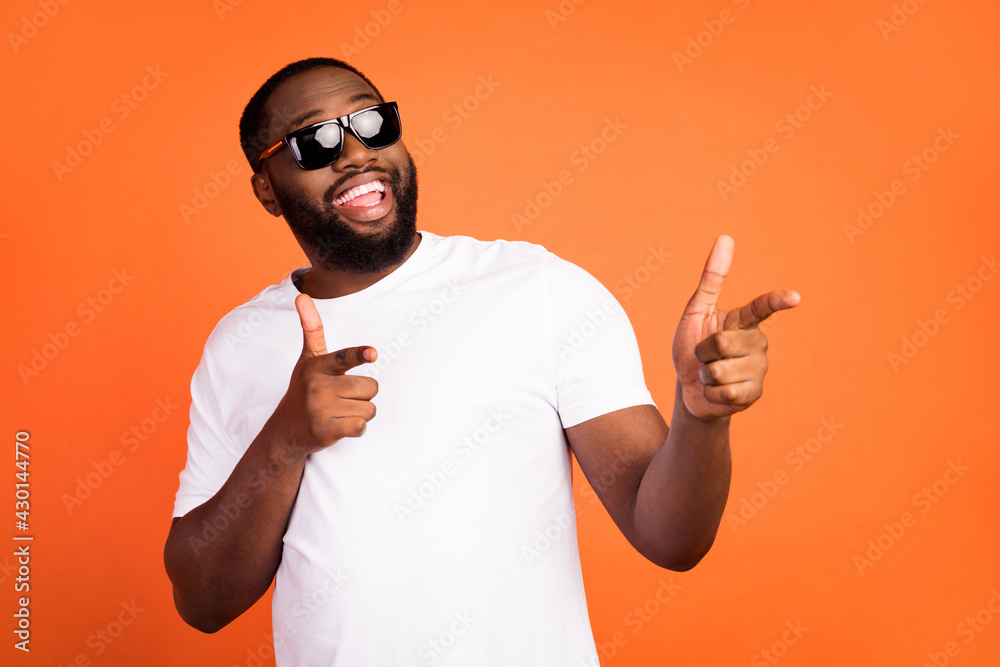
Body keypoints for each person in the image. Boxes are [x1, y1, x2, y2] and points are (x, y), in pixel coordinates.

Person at [163, 56, 800, 666]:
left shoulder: (538, 287)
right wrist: (285, 442)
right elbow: (203, 601)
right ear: (266, 189)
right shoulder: (238, 344)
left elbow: (671, 541)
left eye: (371, 123)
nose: (356, 152)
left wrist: (701, 418)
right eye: (315, 143)